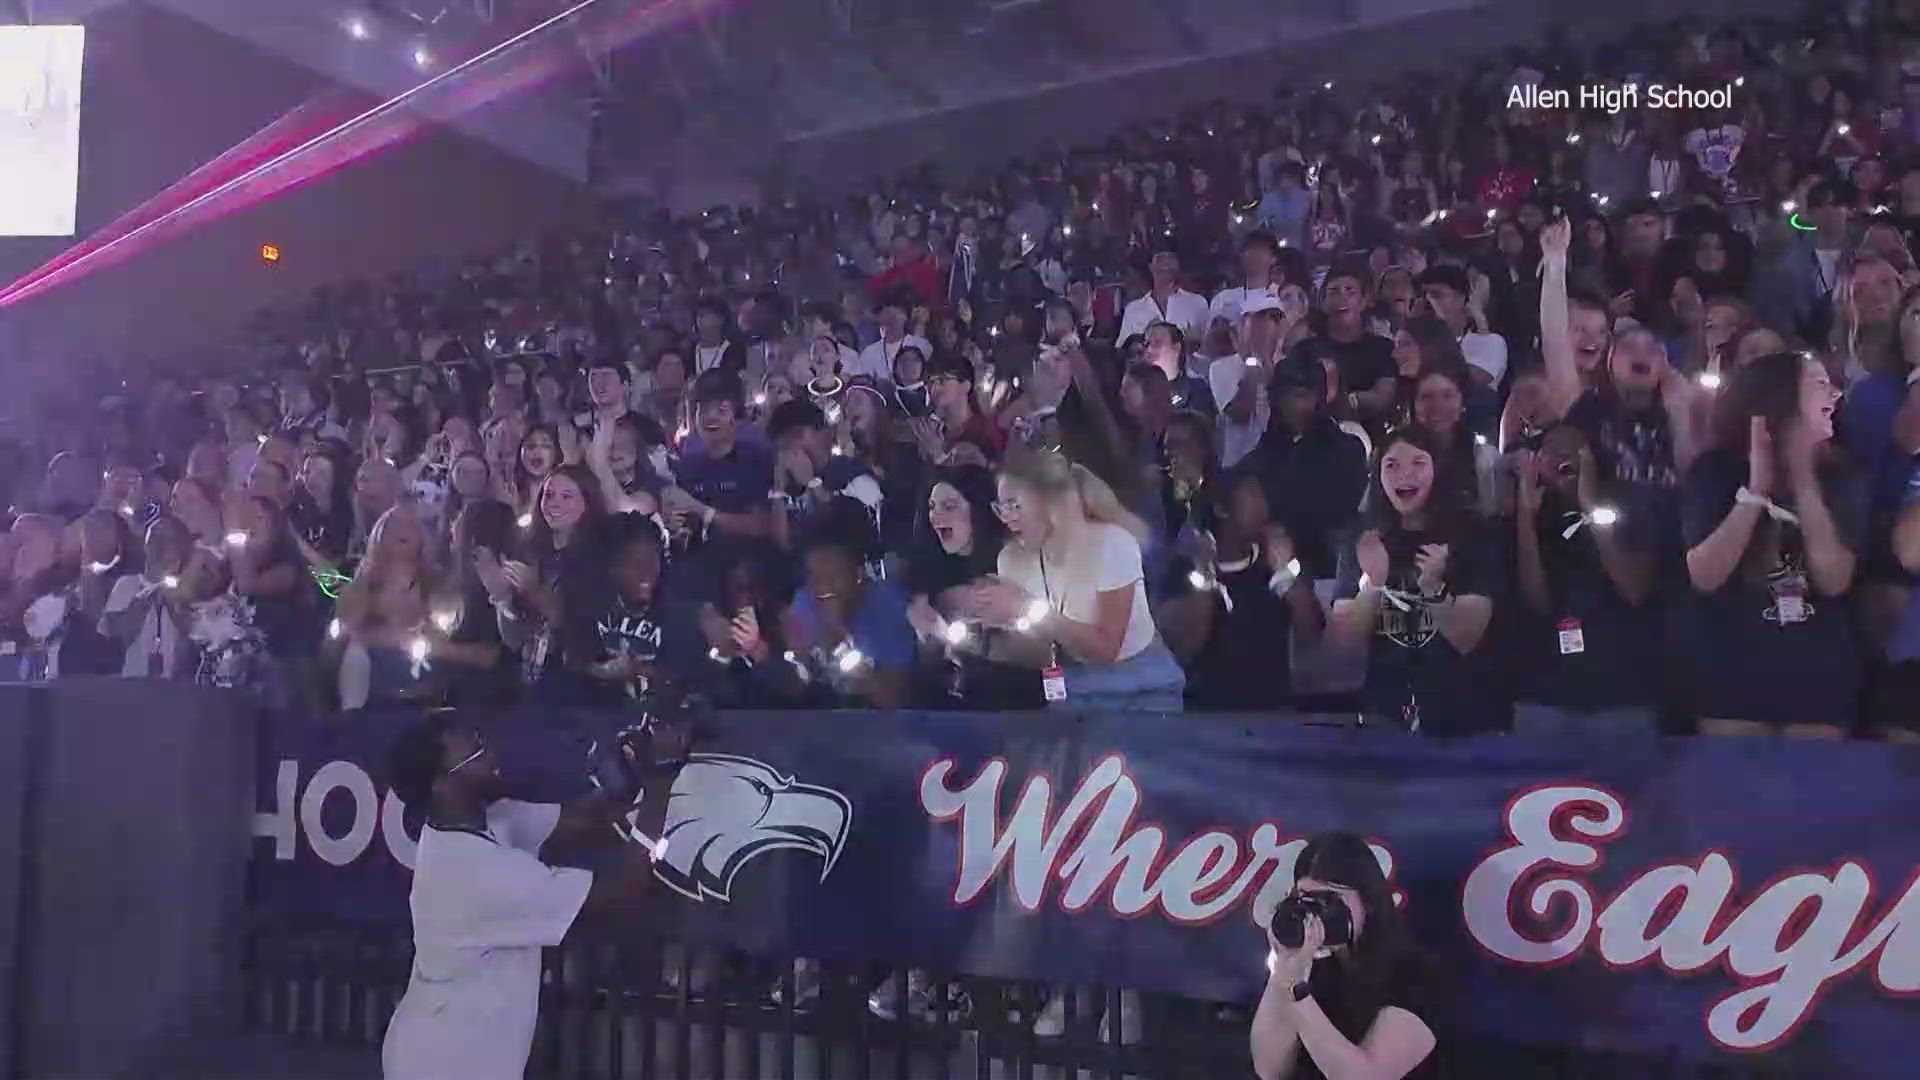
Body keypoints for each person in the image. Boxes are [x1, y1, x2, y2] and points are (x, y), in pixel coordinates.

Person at [379, 713, 678, 1080]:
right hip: (447, 1063)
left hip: (440, 1045)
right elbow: (628, 886)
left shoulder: (483, 820)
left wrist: (631, 770)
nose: (490, 753)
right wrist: (662, 782)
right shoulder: (477, 872)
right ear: (442, 783)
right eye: (474, 748)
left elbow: (582, 819)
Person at [1683, 351, 1864, 737]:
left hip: (1819, 684)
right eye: (1819, 384)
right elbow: (1704, 575)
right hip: (1731, 678)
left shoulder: (1842, 474)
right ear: (1781, 396)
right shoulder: (1715, 469)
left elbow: (1834, 579)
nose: (1835, 395)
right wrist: (1755, 491)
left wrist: (1802, 476)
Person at [963, 448, 1185, 710]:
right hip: (1071, 693)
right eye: (1002, 508)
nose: (1008, 518)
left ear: (1051, 502)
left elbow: (1105, 650)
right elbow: (1045, 652)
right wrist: (986, 637)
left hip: (1143, 692)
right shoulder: (1010, 560)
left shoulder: (1113, 544)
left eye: (1015, 505)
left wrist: (1025, 607)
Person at [1330, 428, 1500, 734]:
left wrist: (1434, 587)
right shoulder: (1362, 538)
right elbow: (1345, 641)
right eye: (1391, 465)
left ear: (1438, 469)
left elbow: (1467, 637)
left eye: (1418, 463)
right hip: (1385, 715)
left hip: (1462, 717)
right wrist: (1373, 583)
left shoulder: (1473, 534)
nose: (1404, 475)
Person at [1509, 424, 1661, 736]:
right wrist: (1526, 514)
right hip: (1547, 693)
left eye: (1572, 452)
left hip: (1620, 694)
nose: (1561, 460)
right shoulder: (1533, 511)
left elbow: (1634, 589)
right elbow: (1535, 599)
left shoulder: (1629, 502)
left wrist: (1590, 506)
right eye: (1551, 452)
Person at [1251, 832, 1439, 1080]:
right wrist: (1282, 969)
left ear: (1368, 901)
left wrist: (1298, 991)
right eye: (1305, 899)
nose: (1315, 914)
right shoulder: (1311, 964)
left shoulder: (1414, 977)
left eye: (1329, 900)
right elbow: (1269, 1069)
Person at [1158, 467, 1323, 710]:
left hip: (1275, 714)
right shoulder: (1184, 569)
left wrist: (1286, 572)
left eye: (1262, 497)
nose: (1263, 507)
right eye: (1252, 498)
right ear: (1222, 509)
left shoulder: (1276, 563)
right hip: (1210, 717)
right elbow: (1187, 649)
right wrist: (1205, 578)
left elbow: (1311, 633)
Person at [1117, 246, 1210, 345]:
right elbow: (1122, 347)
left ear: (1178, 264)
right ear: (1150, 266)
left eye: (1171, 258)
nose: (1166, 263)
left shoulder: (1197, 303)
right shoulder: (1134, 309)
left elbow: (1209, 344)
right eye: (1160, 259)